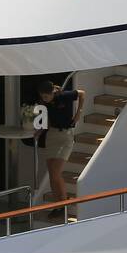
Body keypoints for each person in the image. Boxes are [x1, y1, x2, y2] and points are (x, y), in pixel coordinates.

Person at [34, 80, 85, 217]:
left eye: (46, 96)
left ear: (52, 93)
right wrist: (40, 131)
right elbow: (48, 117)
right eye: (42, 96)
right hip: (52, 135)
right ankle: (58, 204)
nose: (44, 99)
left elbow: (81, 94)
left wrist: (78, 112)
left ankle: (63, 203)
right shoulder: (44, 102)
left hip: (65, 136)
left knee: (56, 172)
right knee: (51, 173)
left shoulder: (64, 95)